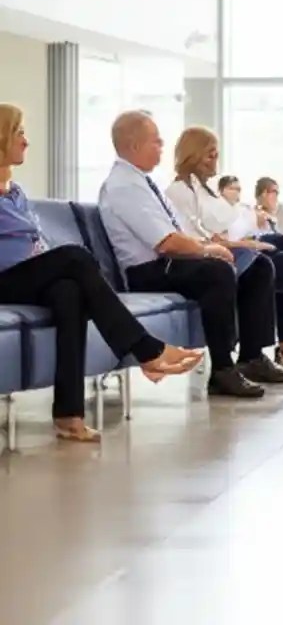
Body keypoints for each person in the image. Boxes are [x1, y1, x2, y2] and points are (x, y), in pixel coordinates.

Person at [0, 104, 203, 442]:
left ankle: (69, 414)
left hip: (28, 275)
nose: (26, 141)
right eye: (20, 133)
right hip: (4, 278)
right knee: (75, 258)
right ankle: (147, 351)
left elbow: (34, 242)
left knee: (69, 292)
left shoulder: (16, 193)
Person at [99, 111, 283, 399]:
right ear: (134, 146)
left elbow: (179, 233)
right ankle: (221, 369)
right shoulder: (124, 186)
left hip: (169, 262)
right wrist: (208, 249)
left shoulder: (141, 181)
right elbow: (165, 242)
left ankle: (252, 357)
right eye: (156, 141)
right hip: (148, 270)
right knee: (216, 271)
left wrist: (221, 246)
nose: (163, 145)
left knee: (260, 266)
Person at [165, 127, 283, 369]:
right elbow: (198, 240)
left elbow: (214, 232)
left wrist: (244, 241)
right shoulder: (179, 193)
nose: (215, 162)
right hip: (203, 256)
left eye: (216, 155)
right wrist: (246, 243)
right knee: (280, 261)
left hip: (222, 247)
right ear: (193, 155)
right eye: (210, 155)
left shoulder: (202, 191)